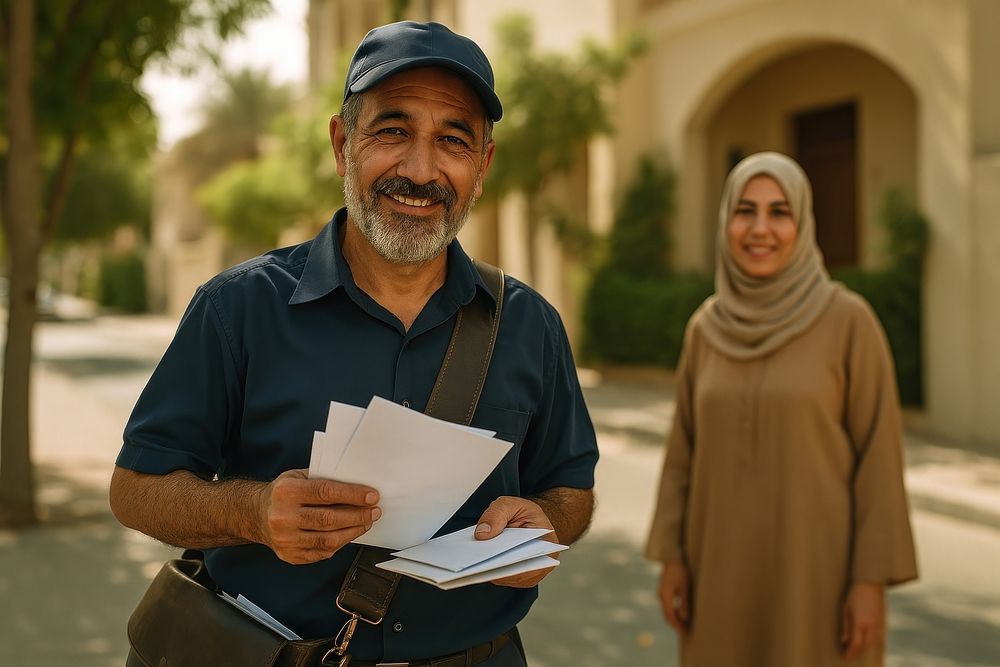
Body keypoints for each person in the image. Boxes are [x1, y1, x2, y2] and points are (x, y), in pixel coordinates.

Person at [110, 21, 598, 666]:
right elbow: (136, 489)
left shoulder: (530, 325)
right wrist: (254, 512)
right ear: (343, 145)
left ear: (482, 166)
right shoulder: (238, 309)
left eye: (452, 141)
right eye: (392, 132)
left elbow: (571, 489)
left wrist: (544, 523)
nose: (421, 170)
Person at [645, 152, 918, 666]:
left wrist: (869, 582)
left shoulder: (848, 322)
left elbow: (878, 462)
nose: (760, 229)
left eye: (780, 212)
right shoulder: (706, 328)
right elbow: (683, 453)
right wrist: (672, 558)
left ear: (804, 222)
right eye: (745, 210)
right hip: (718, 569)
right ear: (726, 220)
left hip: (819, 580)